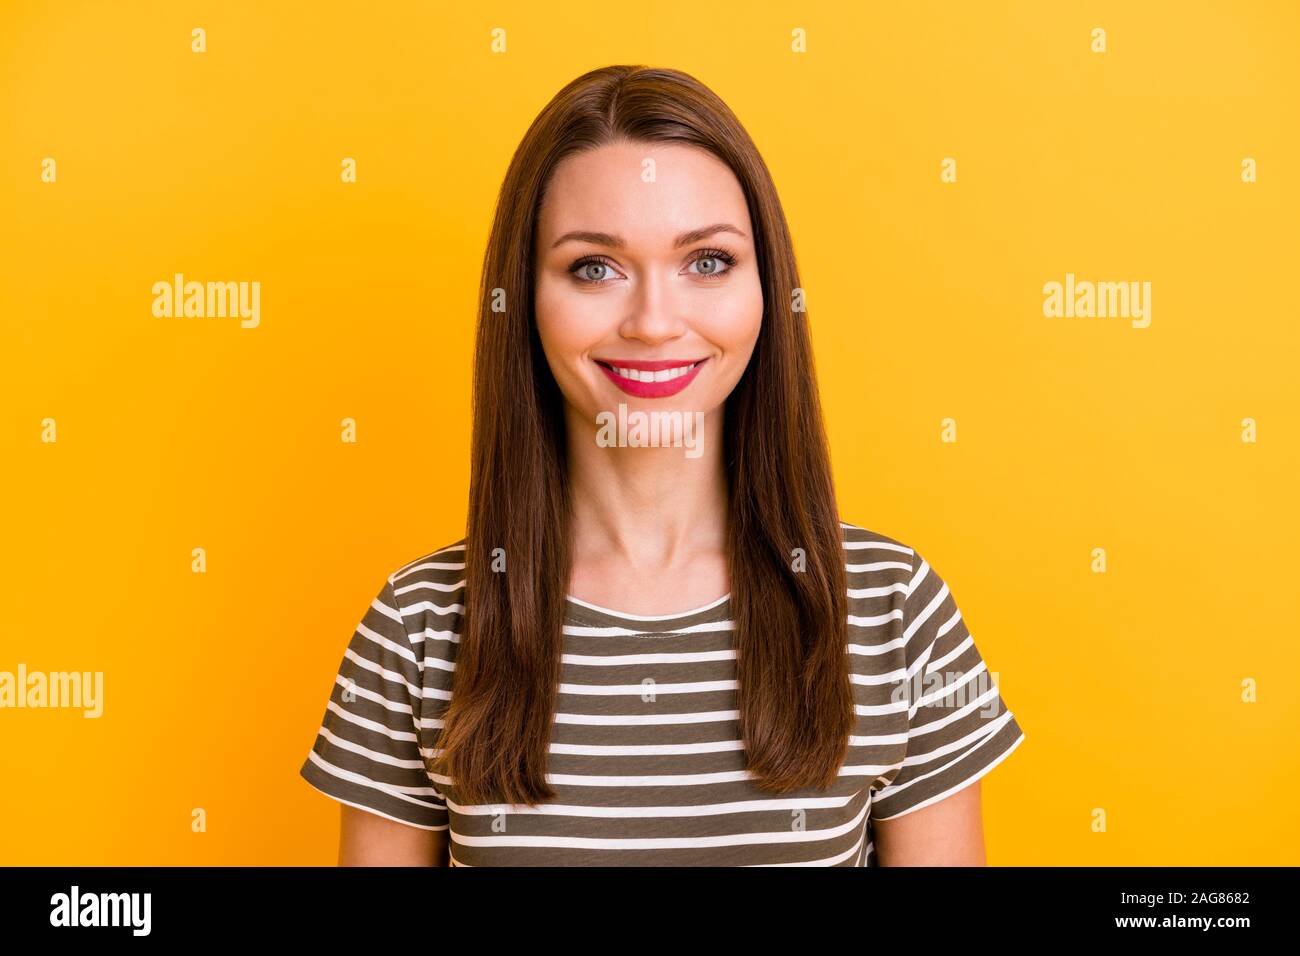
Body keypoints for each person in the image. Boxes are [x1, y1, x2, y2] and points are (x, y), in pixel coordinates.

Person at [299, 64, 1025, 866]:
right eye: (593, 267)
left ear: (766, 290)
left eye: (706, 261)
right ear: (524, 300)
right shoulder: (419, 628)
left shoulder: (892, 610)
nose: (652, 322)